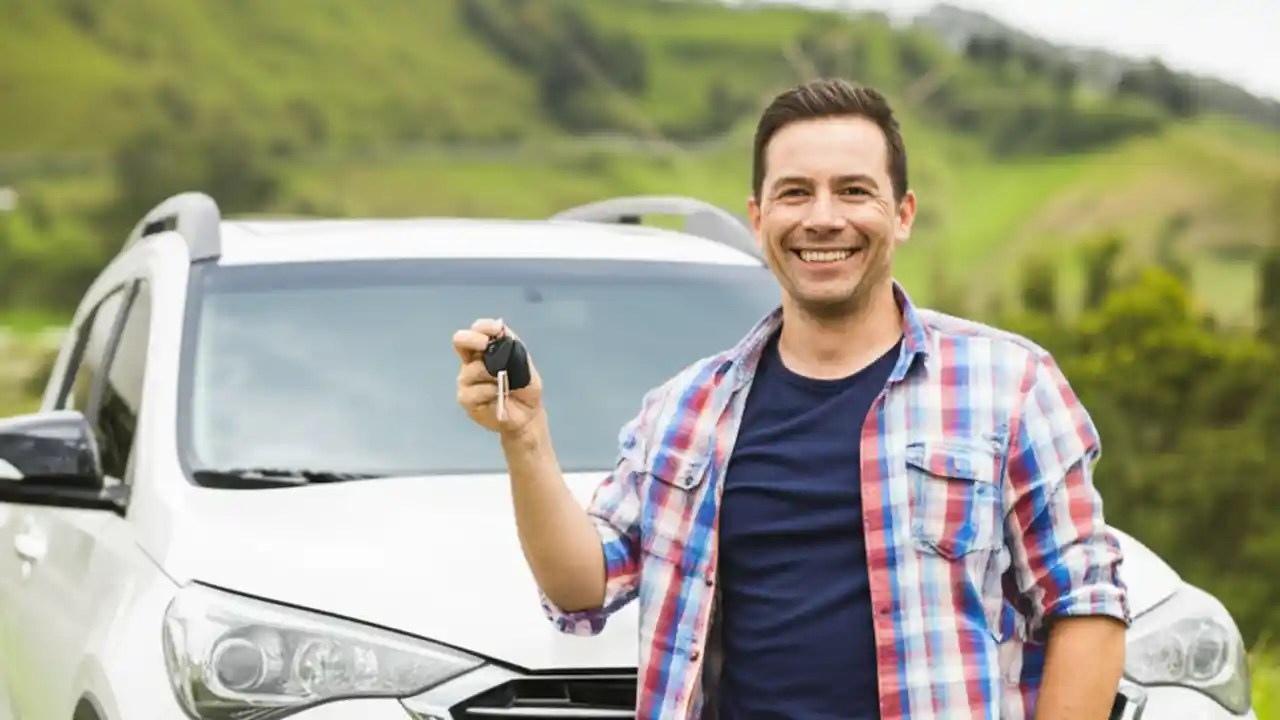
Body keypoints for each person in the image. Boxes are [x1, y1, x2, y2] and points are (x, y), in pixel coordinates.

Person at [453, 78, 1131, 720]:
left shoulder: (1008, 386)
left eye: (854, 191)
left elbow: (1085, 605)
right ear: (758, 217)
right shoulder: (686, 411)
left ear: (903, 214)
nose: (824, 218)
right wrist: (527, 435)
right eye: (796, 193)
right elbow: (584, 588)